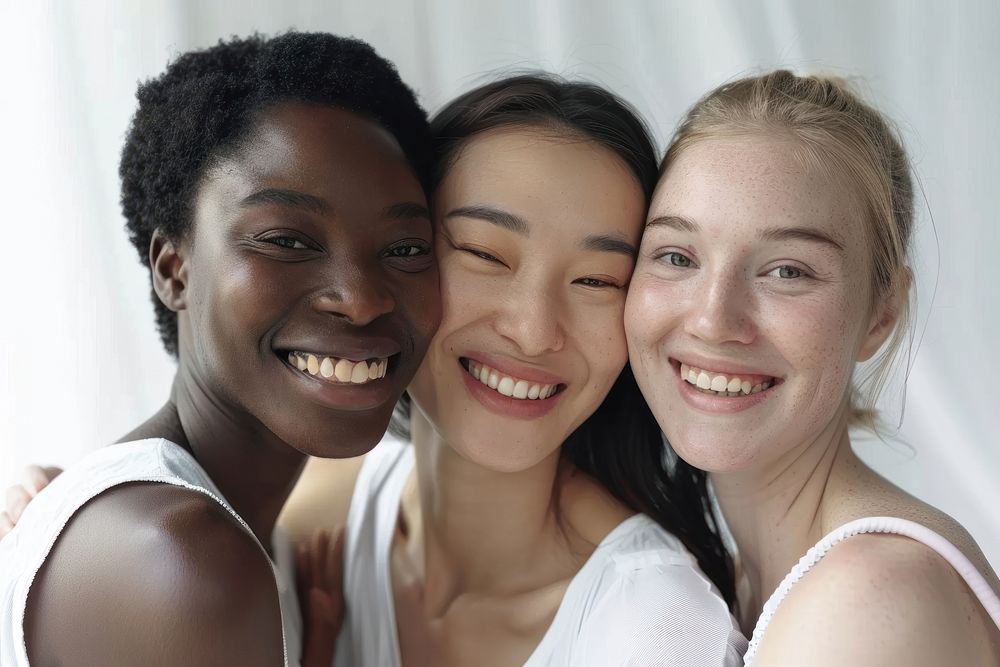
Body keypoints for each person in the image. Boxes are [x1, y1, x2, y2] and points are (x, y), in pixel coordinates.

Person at [0, 32, 441, 666]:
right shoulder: (181, 559)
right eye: (287, 240)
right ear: (174, 271)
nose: (362, 298)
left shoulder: (229, 533)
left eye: (404, 249)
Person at [286, 74, 746, 666]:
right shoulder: (314, 518)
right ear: (398, 256)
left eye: (597, 280)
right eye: (484, 254)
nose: (533, 331)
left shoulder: (655, 631)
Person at [624, 69, 1000, 666]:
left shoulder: (865, 597)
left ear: (881, 312)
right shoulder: (743, 580)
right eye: (676, 256)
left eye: (787, 271)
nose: (713, 320)